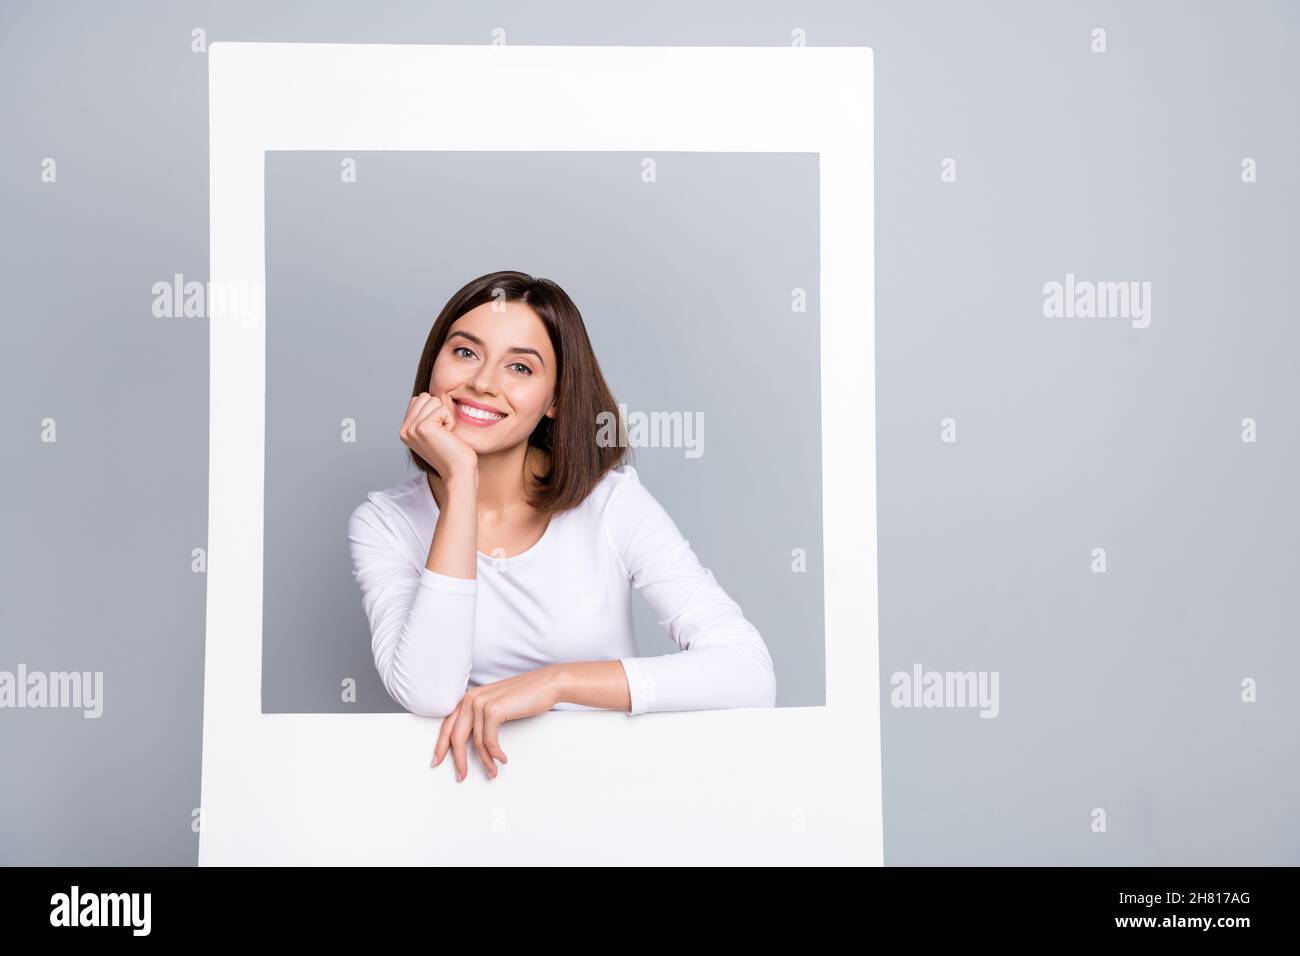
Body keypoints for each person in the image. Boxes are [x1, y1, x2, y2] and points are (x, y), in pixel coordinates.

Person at [347, 270, 776, 782]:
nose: (483, 382)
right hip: (467, 802)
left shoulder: (611, 504)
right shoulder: (385, 523)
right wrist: (460, 480)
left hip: (610, 790)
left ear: (554, 400)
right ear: (433, 366)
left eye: (521, 368)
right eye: (465, 352)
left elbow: (748, 674)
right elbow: (428, 690)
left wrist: (557, 683)